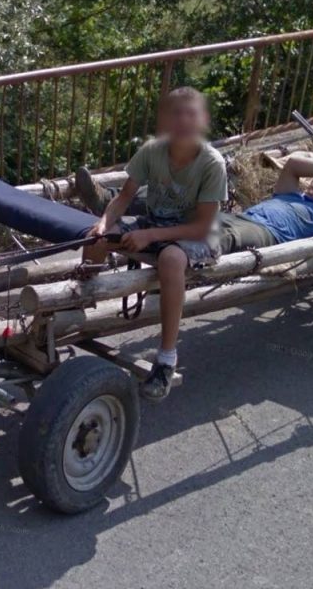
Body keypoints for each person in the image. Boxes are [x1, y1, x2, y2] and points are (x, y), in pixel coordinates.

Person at [72, 87, 227, 401]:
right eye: (176, 114)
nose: (183, 121)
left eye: (191, 114)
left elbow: (202, 225)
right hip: (154, 224)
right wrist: (103, 223)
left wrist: (150, 236)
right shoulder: (152, 151)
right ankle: (74, 315)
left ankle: (166, 360)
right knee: (98, 238)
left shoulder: (212, 164)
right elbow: (125, 197)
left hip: (196, 236)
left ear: (203, 121)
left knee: (170, 258)